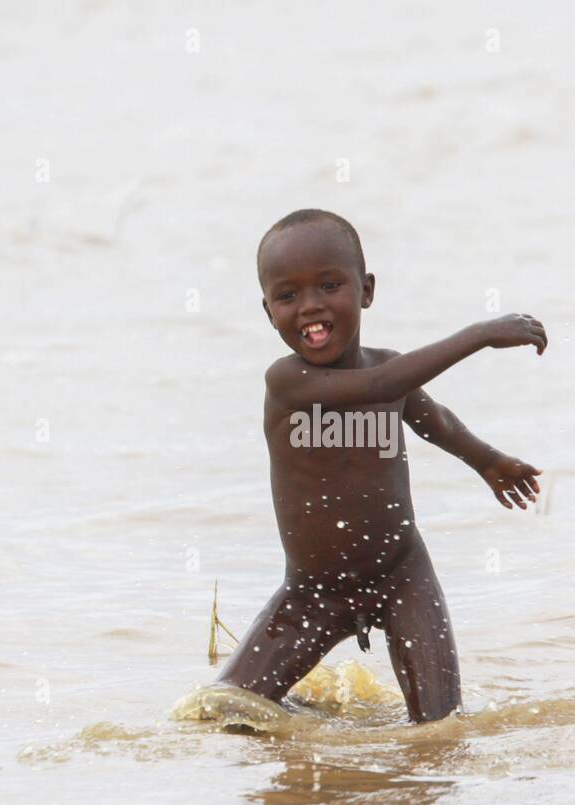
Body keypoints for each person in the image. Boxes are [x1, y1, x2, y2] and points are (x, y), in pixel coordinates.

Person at [214, 209, 547, 723]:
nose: (310, 307)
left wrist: (489, 462)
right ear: (268, 311)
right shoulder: (287, 382)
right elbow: (380, 388)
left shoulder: (386, 367)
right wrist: (479, 334)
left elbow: (434, 420)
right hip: (311, 594)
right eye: (288, 296)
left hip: (401, 574)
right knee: (224, 712)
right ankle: (308, 722)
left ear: (366, 290)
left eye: (329, 285)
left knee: (441, 729)